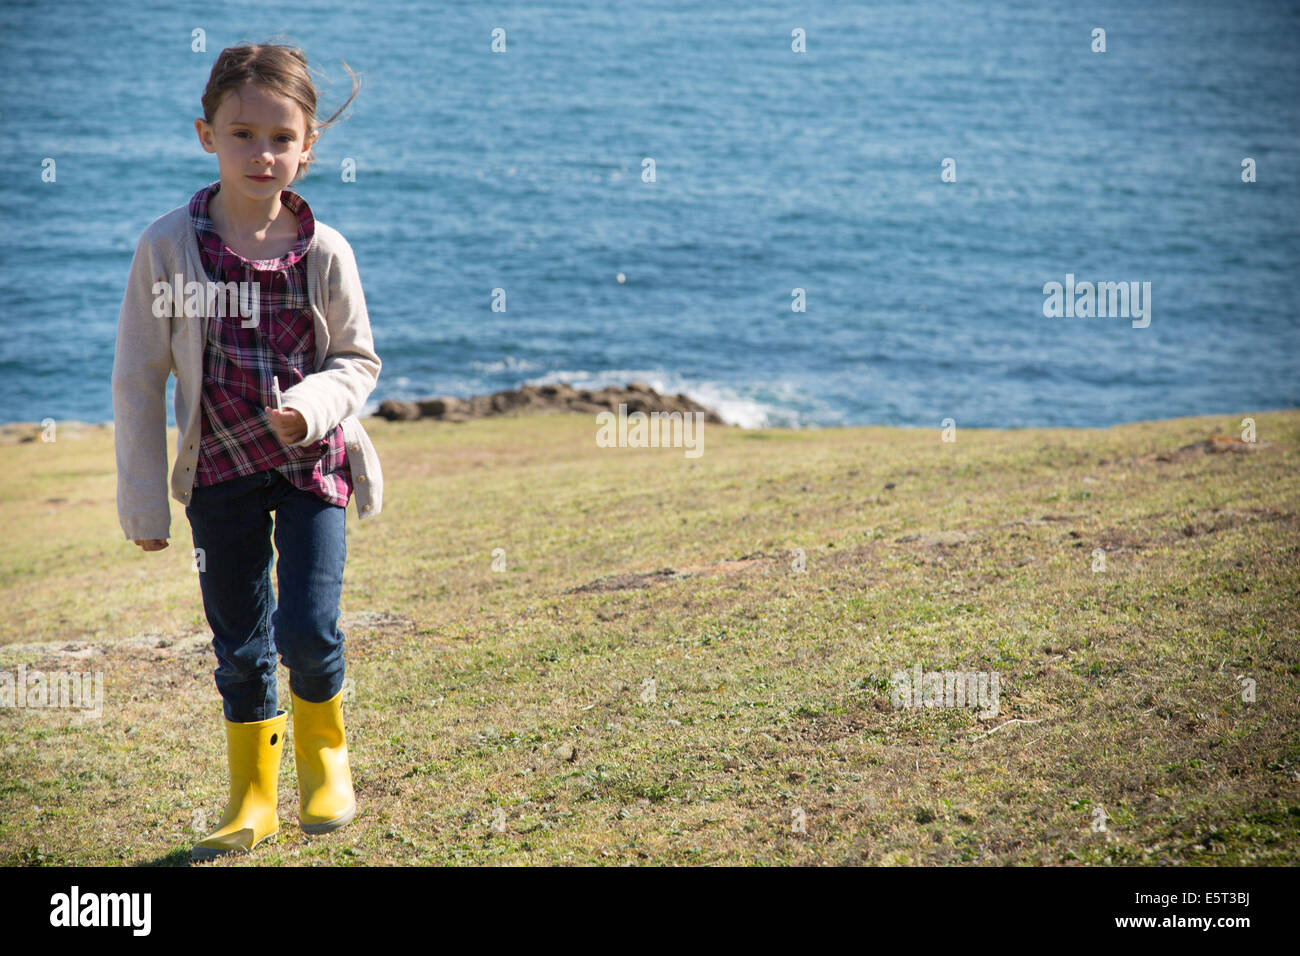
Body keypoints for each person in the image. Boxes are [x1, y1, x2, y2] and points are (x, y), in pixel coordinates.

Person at [111, 41, 382, 861]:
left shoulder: (326, 250)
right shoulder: (168, 246)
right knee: (239, 640)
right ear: (206, 135)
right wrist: (144, 501)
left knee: (309, 626)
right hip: (219, 473)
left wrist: (308, 410)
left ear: (308, 146)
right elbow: (138, 377)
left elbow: (359, 361)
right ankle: (253, 796)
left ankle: (327, 763)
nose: (261, 154)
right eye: (241, 134)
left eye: (280, 137)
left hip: (313, 468)